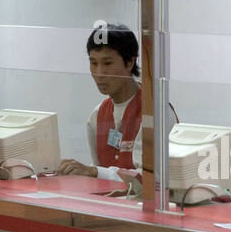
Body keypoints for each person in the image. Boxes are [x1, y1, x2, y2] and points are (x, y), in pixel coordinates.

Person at [58, 24, 175, 180]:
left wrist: (94, 171)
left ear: (130, 62)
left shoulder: (155, 112)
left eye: (107, 63)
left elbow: (151, 180)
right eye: (93, 63)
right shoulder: (96, 116)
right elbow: (98, 174)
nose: (99, 73)